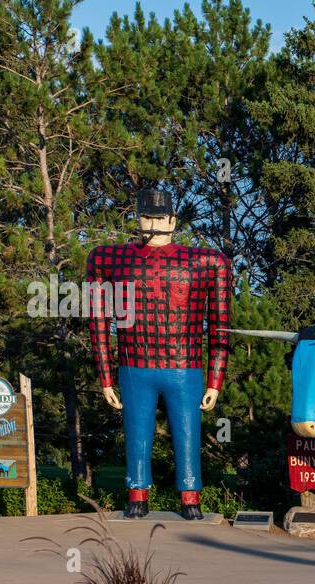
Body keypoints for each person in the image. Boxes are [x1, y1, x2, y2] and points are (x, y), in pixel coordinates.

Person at [88, 188, 232, 520]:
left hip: (185, 365)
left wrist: (214, 381)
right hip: (135, 363)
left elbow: (220, 326)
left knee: (187, 430)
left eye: (159, 217)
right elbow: (97, 320)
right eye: (146, 216)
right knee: (137, 430)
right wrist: (106, 377)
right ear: (137, 219)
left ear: (172, 221)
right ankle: (137, 493)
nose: (152, 224)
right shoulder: (108, 259)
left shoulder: (206, 262)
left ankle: (190, 495)